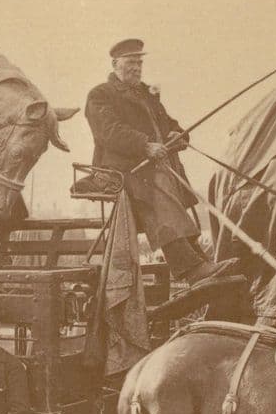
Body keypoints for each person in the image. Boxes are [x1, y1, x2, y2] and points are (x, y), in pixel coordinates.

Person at [84, 39, 238, 284]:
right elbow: (109, 131)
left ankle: (199, 262)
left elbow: (168, 124)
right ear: (115, 64)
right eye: (130, 62)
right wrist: (145, 145)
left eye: (139, 63)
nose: (136, 67)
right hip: (123, 171)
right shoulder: (100, 95)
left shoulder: (147, 94)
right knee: (160, 192)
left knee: (169, 191)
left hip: (155, 168)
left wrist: (178, 134)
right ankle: (191, 268)